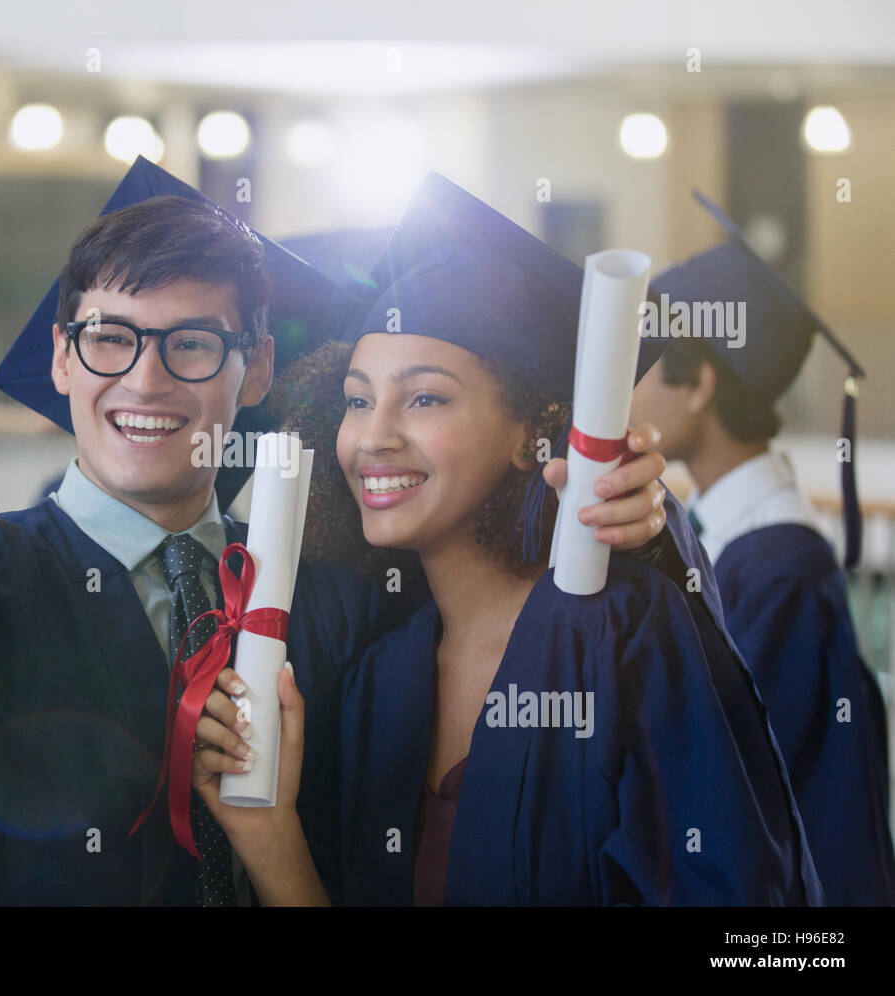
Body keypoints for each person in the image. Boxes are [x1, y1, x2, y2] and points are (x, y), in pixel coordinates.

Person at [0, 158, 669, 905]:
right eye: (109, 338)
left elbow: (513, 583)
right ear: (62, 361)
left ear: (254, 371)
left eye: (193, 343)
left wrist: (620, 513)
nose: (144, 381)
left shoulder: (342, 597)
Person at [192, 174, 823, 906]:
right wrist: (271, 835)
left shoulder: (624, 636)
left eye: (425, 397)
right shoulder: (380, 676)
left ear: (534, 432)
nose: (374, 437)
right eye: (359, 400)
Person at [629, 191, 894, 905]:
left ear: (700, 387)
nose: (628, 381)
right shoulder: (745, 546)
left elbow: (740, 797)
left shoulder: (779, 574)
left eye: (646, 359)